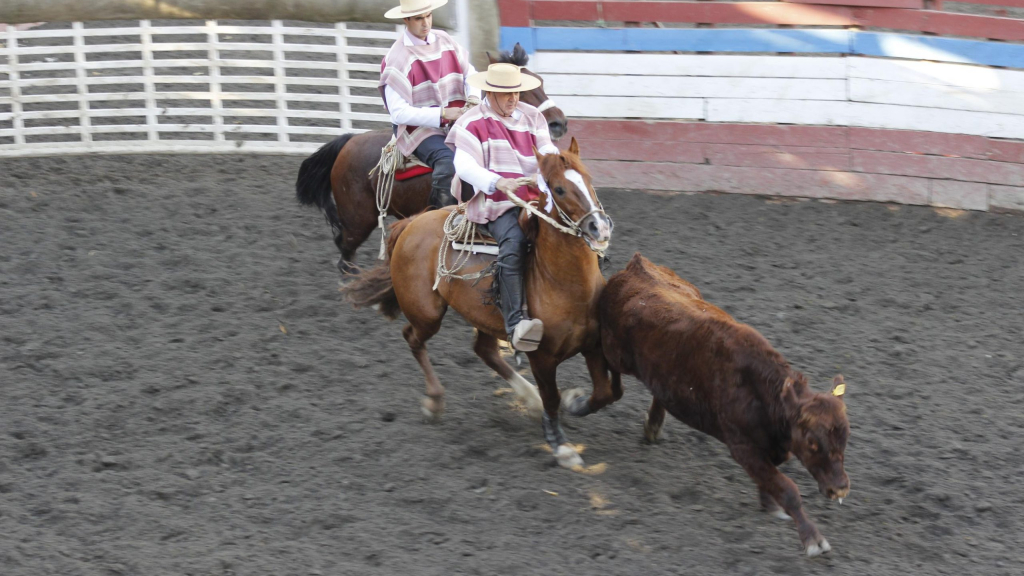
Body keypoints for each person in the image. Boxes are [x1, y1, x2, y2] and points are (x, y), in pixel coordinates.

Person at [445, 63, 561, 352]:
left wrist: (550, 165)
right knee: (515, 242)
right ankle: (515, 324)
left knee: (575, 225)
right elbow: (464, 165)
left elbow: (547, 149)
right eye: (506, 93)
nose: (514, 99)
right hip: (496, 200)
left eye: (517, 92)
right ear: (489, 92)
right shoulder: (471, 121)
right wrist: (497, 183)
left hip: (534, 195)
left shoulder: (532, 116)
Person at [379, 0, 480, 209]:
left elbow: (470, 74)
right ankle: (437, 218)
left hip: (456, 117)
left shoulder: (445, 39)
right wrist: (443, 114)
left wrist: (473, 99)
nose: (426, 23)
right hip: (418, 129)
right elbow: (398, 113)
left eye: (428, 16)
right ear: (406, 20)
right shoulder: (397, 57)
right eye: (418, 18)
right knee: (448, 162)